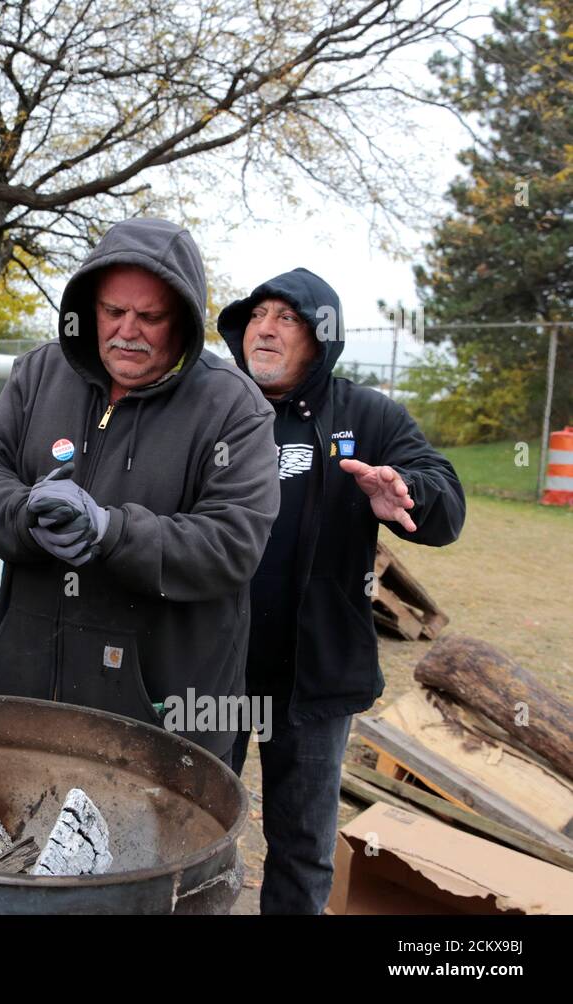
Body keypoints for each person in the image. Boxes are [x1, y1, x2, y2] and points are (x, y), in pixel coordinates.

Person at [0, 218, 280, 764]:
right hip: (29, 687)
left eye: (150, 317)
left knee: (147, 849)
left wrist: (111, 532)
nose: (126, 331)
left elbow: (233, 542)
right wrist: (25, 514)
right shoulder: (39, 373)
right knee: (18, 842)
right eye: (113, 311)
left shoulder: (234, 407)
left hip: (162, 716)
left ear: (183, 320)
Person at [217, 267, 466, 913]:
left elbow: (446, 501)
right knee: (196, 825)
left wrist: (409, 493)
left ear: (321, 338)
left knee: (302, 844)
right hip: (211, 669)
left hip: (317, 676)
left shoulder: (367, 413)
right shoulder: (210, 402)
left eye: (288, 317)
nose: (265, 328)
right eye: (258, 314)